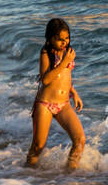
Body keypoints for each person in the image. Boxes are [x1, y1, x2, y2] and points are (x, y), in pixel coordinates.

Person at [26, 18, 85, 171]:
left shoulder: (68, 52)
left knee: (80, 140)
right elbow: (46, 79)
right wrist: (65, 61)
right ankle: (25, 173)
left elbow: (66, 76)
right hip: (45, 104)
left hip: (64, 104)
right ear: (50, 38)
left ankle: (69, 175)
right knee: (38, 146)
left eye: (67, 38)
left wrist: (74, 93)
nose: (64, 42)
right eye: (60, 39)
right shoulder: (46, 53)